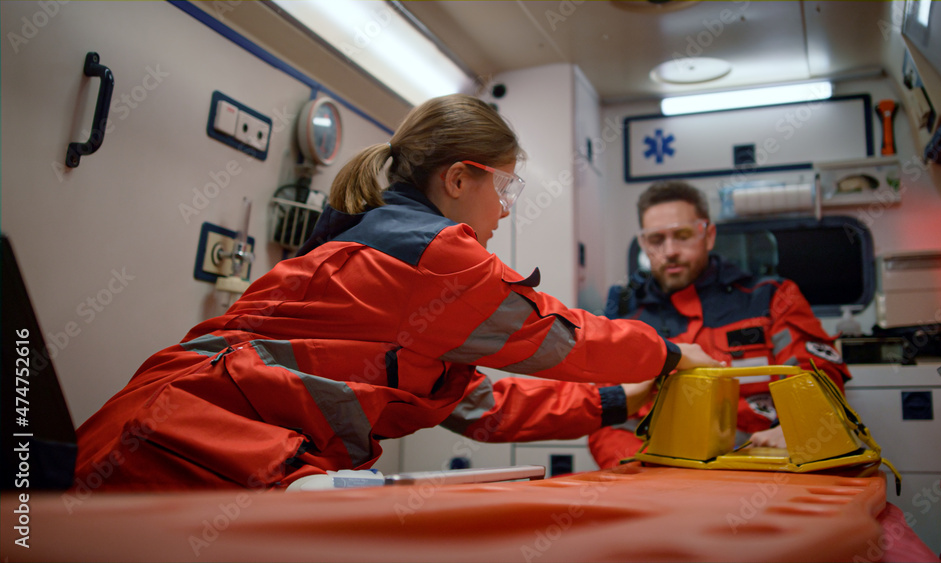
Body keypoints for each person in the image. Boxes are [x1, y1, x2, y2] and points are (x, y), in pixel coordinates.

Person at [74, 94, 719, 491]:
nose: (507, 209)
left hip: (189, 442)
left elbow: (480, 404)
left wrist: (616, 401)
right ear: (461, 178)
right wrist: (669, 355)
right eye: (507, 188)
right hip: (174, 442)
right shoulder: (433, 256)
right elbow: (558, 338)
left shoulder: (394, 266)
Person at [588, 180, 851, 469]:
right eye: (657, 240)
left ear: (709, 235)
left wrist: (797, 430)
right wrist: (642, 469)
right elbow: (607, 419)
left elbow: (816, 375)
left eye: (683, 235)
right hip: (659, 478)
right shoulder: (628, 322)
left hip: (762, 469)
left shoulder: (772, 298)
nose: (670, 250)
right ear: (643, 244)